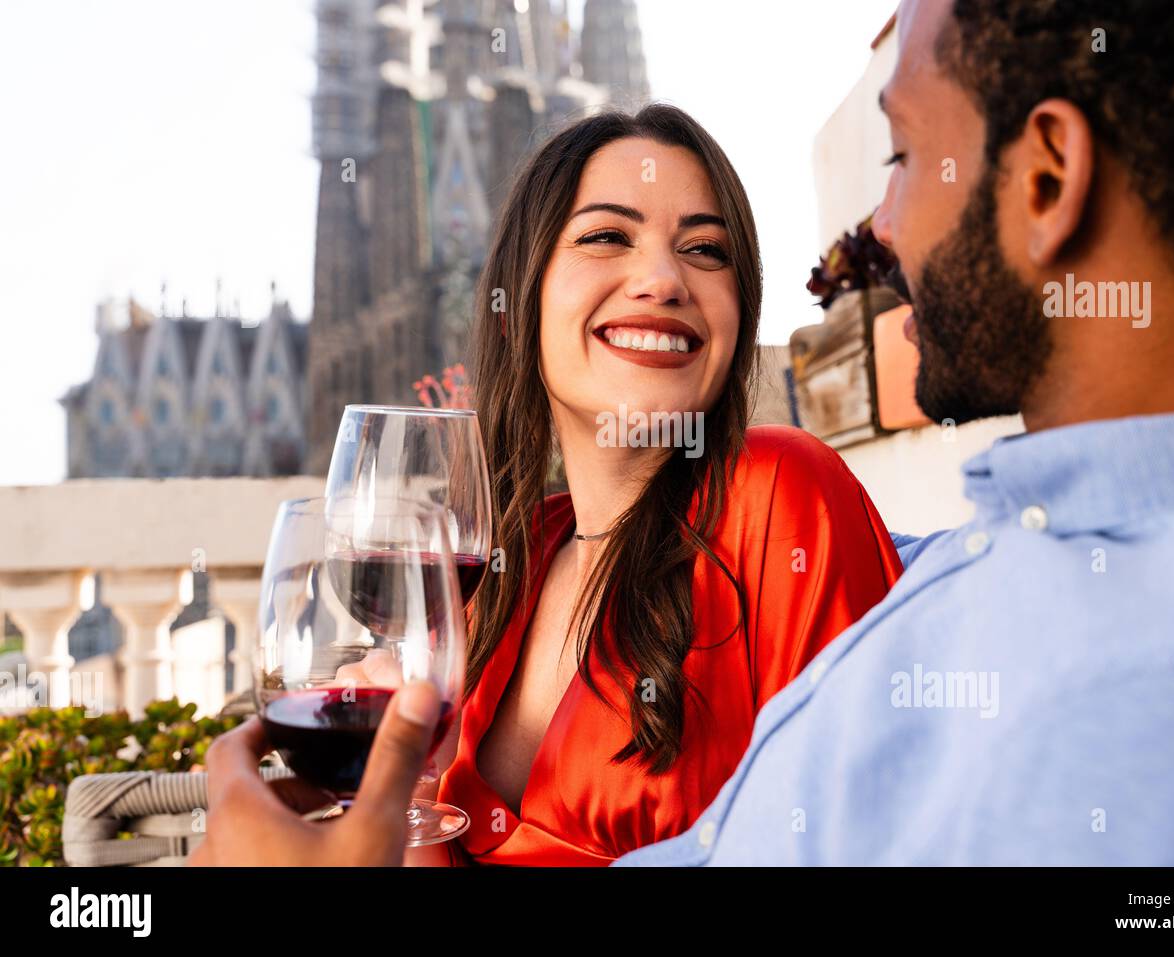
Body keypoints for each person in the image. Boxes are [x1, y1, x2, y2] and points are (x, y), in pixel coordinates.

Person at [616, 0, 1174, 865]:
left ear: (1046, 179)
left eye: (901, 156)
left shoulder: (1136, 719)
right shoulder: (1055, 553)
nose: (881, 225)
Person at [190, 105, 902, 866]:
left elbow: (882, 836)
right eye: (607, 237)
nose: (664, 280)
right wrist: (402, 798)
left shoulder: (780, 495)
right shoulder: (511, 563)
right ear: (515, 306)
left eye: (704, 249)